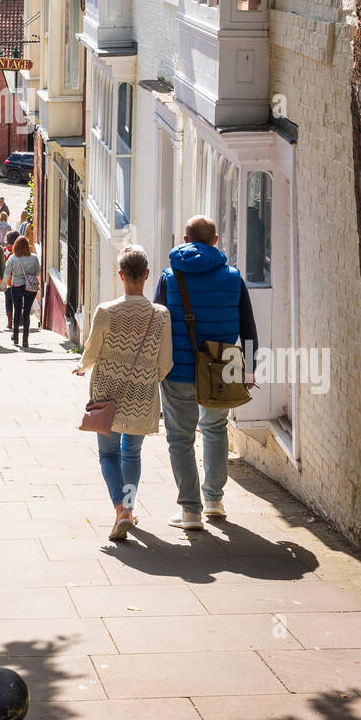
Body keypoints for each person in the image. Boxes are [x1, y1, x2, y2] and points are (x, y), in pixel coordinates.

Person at [153, 215, 258, 530]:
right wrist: (250, 370)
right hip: (221, 369)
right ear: (215, 241)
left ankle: (190, 511)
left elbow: (156, 325)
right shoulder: (233, 277)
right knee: (215, 430)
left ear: (186, 240)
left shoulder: (170, 277)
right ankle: (213, 500)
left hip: (178, 370)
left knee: (180, 438)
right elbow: (248, 328)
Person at [74, 245, 173, 541]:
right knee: (132, 453)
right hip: (142, 395)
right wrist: (145, 379)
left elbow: (91, 351)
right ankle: (128, 507)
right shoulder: (161, 315)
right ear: (146, 275)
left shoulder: (107, 311)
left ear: (121, 276)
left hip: (107, 394)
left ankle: (120, 509)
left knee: (108, 454)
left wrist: (81, 367)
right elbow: (165, 362)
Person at [1, 229, 19, 331]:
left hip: (7, 279)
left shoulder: (4, 250)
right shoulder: (20, 250)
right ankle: (17, 320)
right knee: (18, 300)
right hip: (18, 279)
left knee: (8, 300)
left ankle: (9, 322)